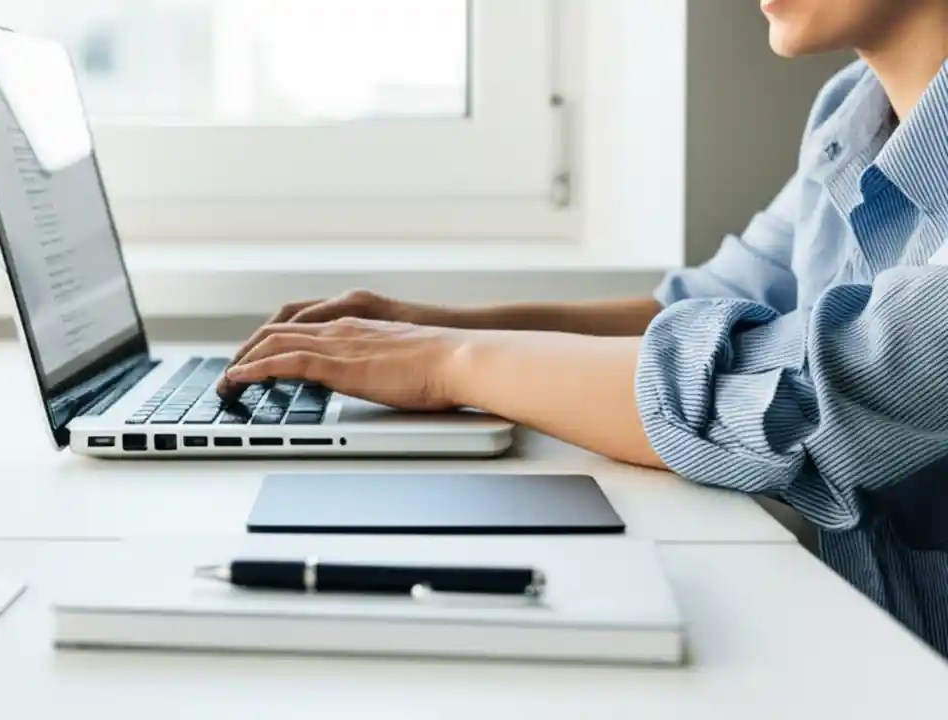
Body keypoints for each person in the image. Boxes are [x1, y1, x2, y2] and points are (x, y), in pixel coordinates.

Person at [217, 0, 948, 656]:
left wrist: (450, 364)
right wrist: (424, 327)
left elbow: (822, 396)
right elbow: (699, 308)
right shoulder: (850, 119)